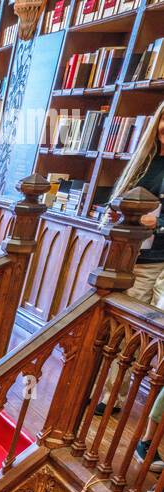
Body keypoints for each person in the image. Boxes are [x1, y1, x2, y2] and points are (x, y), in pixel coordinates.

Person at [96, 102, 164, 413]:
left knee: (147, 334)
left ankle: (131, 403)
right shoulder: (145, 161)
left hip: (159, 260)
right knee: (119, 329)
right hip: (133, 257)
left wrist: (159, 223)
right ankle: (106, 394)